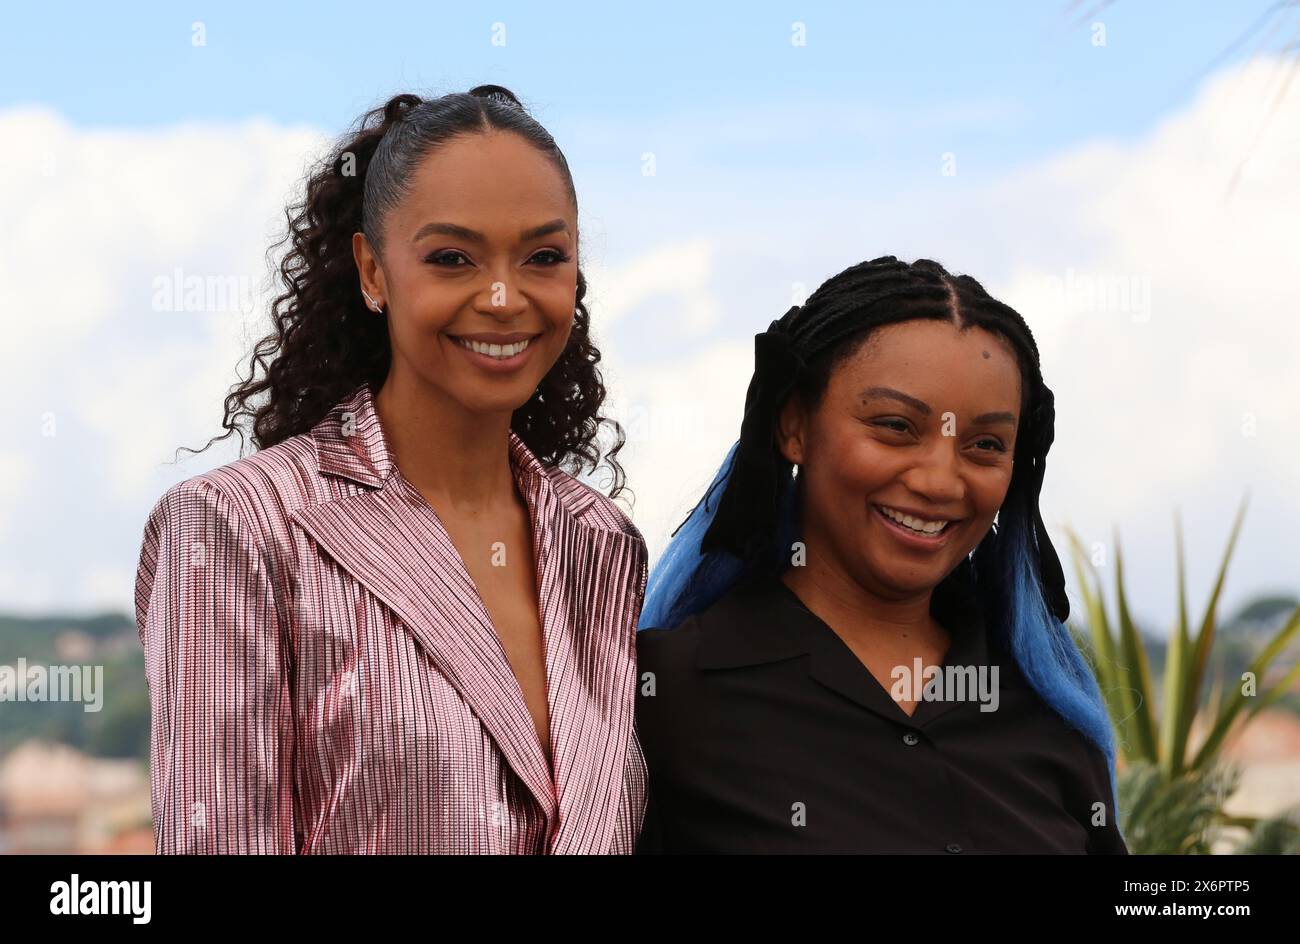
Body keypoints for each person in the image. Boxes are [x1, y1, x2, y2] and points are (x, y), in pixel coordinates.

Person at [134, 86, 648, 854]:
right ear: (373, 272)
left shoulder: (602, 543)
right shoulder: (238, 527)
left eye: (544, 257)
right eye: (452, 258)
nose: (504, 297)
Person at [635, 255, 1127, 854]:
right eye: (896, 426)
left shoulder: (1050, 720)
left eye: (985, 445)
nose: (941, 481)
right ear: (794, 425)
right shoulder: (661, 698)